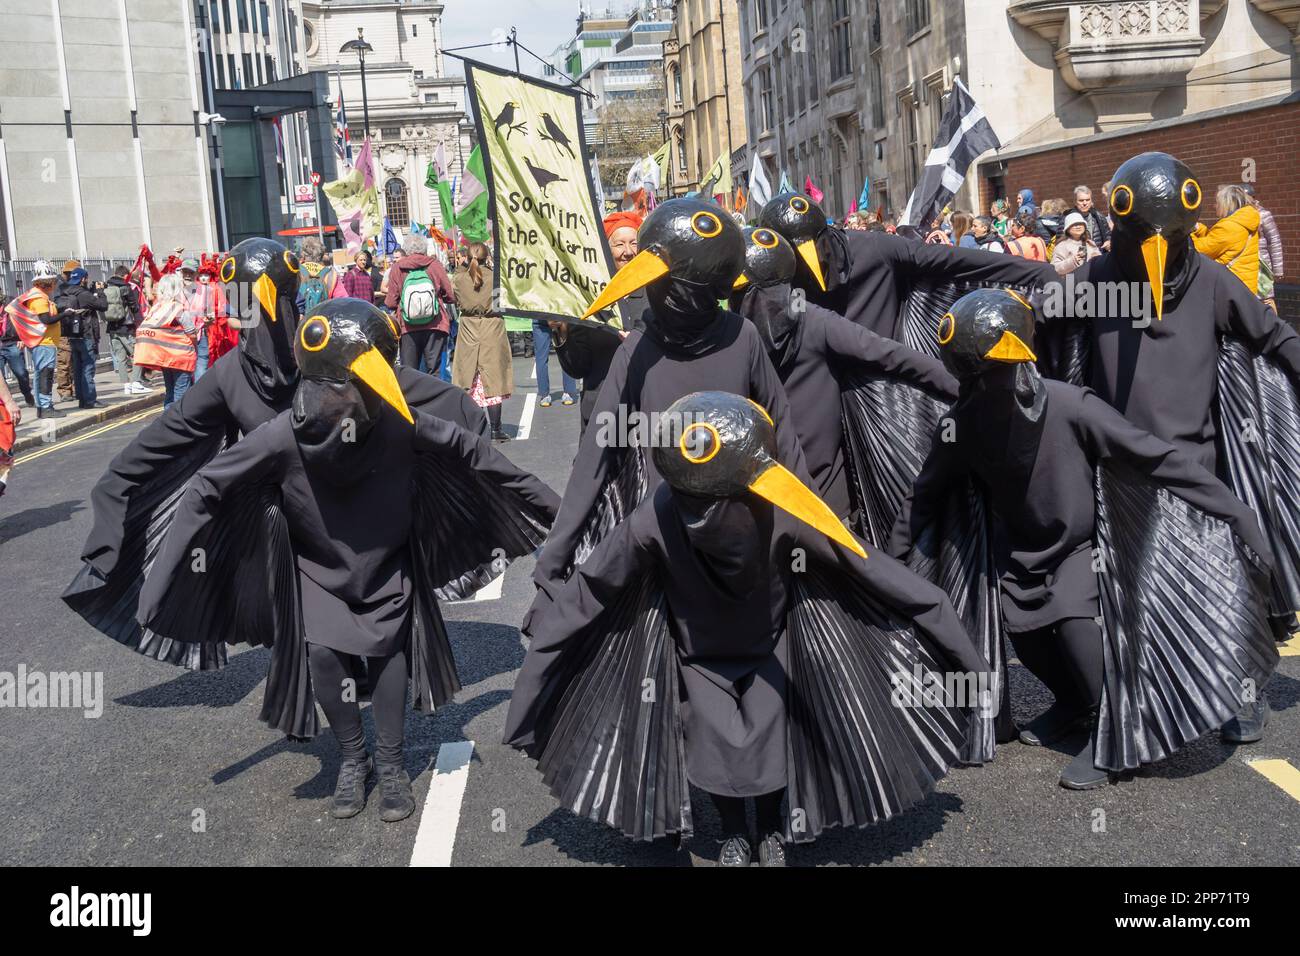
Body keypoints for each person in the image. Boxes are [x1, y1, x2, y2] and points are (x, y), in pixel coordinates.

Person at [507, 390, 986, 865]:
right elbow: (877, 570)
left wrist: (534, 681)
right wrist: (963, 654)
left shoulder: (707, 514)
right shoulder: (671, 518)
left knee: (767, 728)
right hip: (699, 656)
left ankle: (771, 826)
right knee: (719, 737)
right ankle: (737, 831)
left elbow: (586, 593)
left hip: (768, 643)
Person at [132, 299, 559, 821]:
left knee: (387, 657)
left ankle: (393, 765)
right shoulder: (281, 436)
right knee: (326, 660)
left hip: (386, 564)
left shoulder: (405, 424)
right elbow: (206, 487)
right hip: (318, 567)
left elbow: (479, 456)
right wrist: (162, 581)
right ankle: (354, 759)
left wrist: (558, 514)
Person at [892, 289, 1278, 789]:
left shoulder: (1072, 405)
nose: (981, 387)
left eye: (989, 373)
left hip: (1087, 547)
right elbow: (923, 496)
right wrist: (889, 563)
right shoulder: (960, 426)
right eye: (972, 377)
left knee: (1074, 623)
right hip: (1023, 552)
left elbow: (1155, 457)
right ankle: (1075, 705)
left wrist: (1237, 512)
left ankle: (1112, 726)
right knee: (1027, 637)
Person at [1038, 152, 1300, 741]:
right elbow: (1042, 312)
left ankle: (1241, 691)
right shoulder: (1101, 282)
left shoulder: (1210, 282)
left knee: (1223, 582)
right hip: (1120, 468)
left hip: (1195, 461)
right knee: (1133, 593)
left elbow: (1273, 335)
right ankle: (1117, 699)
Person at [526, 198, 811, 627]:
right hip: (669, 538)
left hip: (737, 534)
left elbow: (782, 433)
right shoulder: (638, 349)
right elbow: (596, 458)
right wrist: (555, 556)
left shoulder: (741, 337)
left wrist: (808, 528)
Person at [554, 210, 647, 433]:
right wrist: (561, 333)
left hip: (645, 411)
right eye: (619, 244)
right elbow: (577, 368)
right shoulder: (590, 296)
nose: (628, 252)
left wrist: (639, 344)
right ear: (606, 250)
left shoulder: (654, 292)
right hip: (600, 415)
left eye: (634, 243)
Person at [451, 242, 513, 441]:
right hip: (491, 327)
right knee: (493, 378)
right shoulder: (496, 278)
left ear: (467, 258)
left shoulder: (459, 278)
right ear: (487, 258)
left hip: (469, 327)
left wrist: (463, 265)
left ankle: (474, 428)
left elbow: (455, 297)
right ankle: (495, 429)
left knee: (470, 380)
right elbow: (502, 302)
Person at [384, 234, 454, 374]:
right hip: (435, 324)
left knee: (410, 372)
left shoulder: (397, 268)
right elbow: (450, 295)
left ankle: (414, 396)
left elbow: (391, 302)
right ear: (425, 248)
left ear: (406, 250)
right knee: (433, 370)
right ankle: (433, 395)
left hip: (407, 326)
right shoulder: (435, 265)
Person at [5, 261, 62, 418]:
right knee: (45, 373)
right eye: (54, 281)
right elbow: (46, 320)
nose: (56, 284)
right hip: (44, 342)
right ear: (48, 283)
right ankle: (45, 407)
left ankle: (42, 406)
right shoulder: (39, 298)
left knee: (41, 373)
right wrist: (66, 314)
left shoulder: (39, 295)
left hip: (44, 342)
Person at [136, 273, 198, 409]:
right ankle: (178, 425)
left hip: (164, 357)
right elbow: (191, 331)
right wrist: (195, 346)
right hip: (181, 358)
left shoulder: (156, 308)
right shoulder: (178, 308)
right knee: (181, 394)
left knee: (170, 392)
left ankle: (167, 425)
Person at [53, 267, 106, 410]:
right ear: (83, 279)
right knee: (87, 369)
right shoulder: (83, 294)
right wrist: (100, 292)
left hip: (71, 335)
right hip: (85, 335)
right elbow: (103, 306)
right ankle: (90, 400)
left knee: (77, 369)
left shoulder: (65, 292)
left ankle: (81, 400)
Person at [1192, 184, 1260, 294]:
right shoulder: (1244, 221)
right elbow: (1217, 240)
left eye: (1217, 202)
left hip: (1230, 290)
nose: (1215, 206)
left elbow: (1201, 250)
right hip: (1243, 286)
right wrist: (1198, 229)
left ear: (1226, 204)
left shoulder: (1230, 227)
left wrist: (1187, 233)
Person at [103, 265, 150, 395]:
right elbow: (134, 307)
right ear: (125, 276)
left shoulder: (107, 286)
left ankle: (126, 386)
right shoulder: (126, 287)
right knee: (138, 355)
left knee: (120, 358)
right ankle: (135, 382)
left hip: (112, 328)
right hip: (126, 328)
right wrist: (140, 323)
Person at [1244, 185, 1284, 312]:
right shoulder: (1238, 216)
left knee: (1266, 298)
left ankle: (1274, 328)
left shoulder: (1263, 214)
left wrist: (1278, 270)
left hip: (1261, 265)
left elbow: (1274, 241)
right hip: (1245, 264)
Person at [0, 293, 34, 407]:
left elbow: (24, 319)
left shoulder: (11, 301)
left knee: (21, 373)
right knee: (1, 378)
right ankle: (6, 403)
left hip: (12, 342)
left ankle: (27, 394)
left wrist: (22, 338)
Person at [54, 259, 80, 402]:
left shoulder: (70, 285)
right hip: (63, 328)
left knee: (75, 361)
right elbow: (57, 304)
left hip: (73, 328)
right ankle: (65, 390)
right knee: (65, 361)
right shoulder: (58, 286)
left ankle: (74, 389)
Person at [296, 236, 339, 317]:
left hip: (301, 322)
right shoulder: (330, 274)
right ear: (321, 255)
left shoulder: (297, 271)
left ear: (303, 255)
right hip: (324, 321)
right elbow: (342, 300)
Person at [1050, 211, 1101, 275]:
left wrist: (1097, 259)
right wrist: (1072, 261)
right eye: (1074, 225)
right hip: (1070, 282)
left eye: (1080, 224)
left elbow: (1100, 264)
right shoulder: (1062, 246)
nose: (1078, 227)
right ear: (1067, 229)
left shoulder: (1090, 243)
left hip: (1090, 281)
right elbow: (1054, 269)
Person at [1073, 185, 1111, 251]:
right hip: (1077, 258)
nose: (1085, 203)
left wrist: (1109, 242)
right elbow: (1061, 243)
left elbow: (1108, 236)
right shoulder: (1068, 219)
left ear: (1091, 201)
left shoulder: (1099, 217)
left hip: (1098, 257)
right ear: (1075, 202)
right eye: (1081, 200)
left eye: (1087, 200)